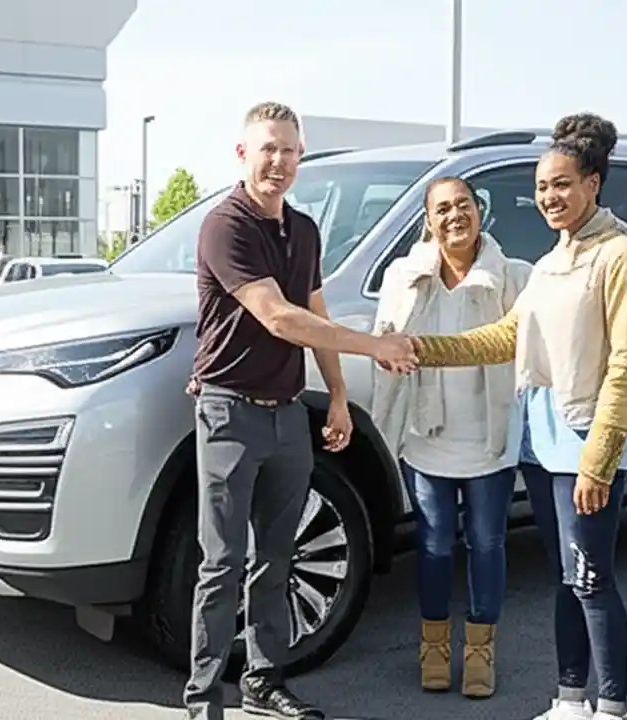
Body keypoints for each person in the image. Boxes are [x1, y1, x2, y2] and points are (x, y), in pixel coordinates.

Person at [407, 112, 627, 720]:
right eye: (543, 187)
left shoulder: (621, 257)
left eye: (563, 184)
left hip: (585, 442)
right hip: (541, 445)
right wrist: (420, 349)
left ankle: (613, 707)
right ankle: (571, 699)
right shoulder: (550, 264)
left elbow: (626, 365)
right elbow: (502, 338)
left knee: (592, 579)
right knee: (567, 580)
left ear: (593, 182)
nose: (550, 197)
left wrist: (599, 461)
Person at [185, 100, 418, 720]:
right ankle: (204, 698)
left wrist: (339, 396)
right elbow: (278, 316)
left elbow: (316, 315)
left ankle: (263, 681)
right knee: (221, 563)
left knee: (276, 558)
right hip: (229, 413)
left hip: (288, 416)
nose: (280, 162)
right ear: (243, 153)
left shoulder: (304, 229)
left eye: (290, 150)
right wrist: (377, 347)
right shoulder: (225, 225)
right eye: (268, 149)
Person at [369, 176, 531, 698]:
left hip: (488, 438)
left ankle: (481, 649)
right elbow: (384, 345)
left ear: (479, 213)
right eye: (442, 209)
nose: (454, 215)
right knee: (435, 544)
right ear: (428, 220)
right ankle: (434, 644)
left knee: (487, 542)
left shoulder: (513, 276)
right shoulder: (405, 276)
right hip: (427, 435)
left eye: (463, 205)